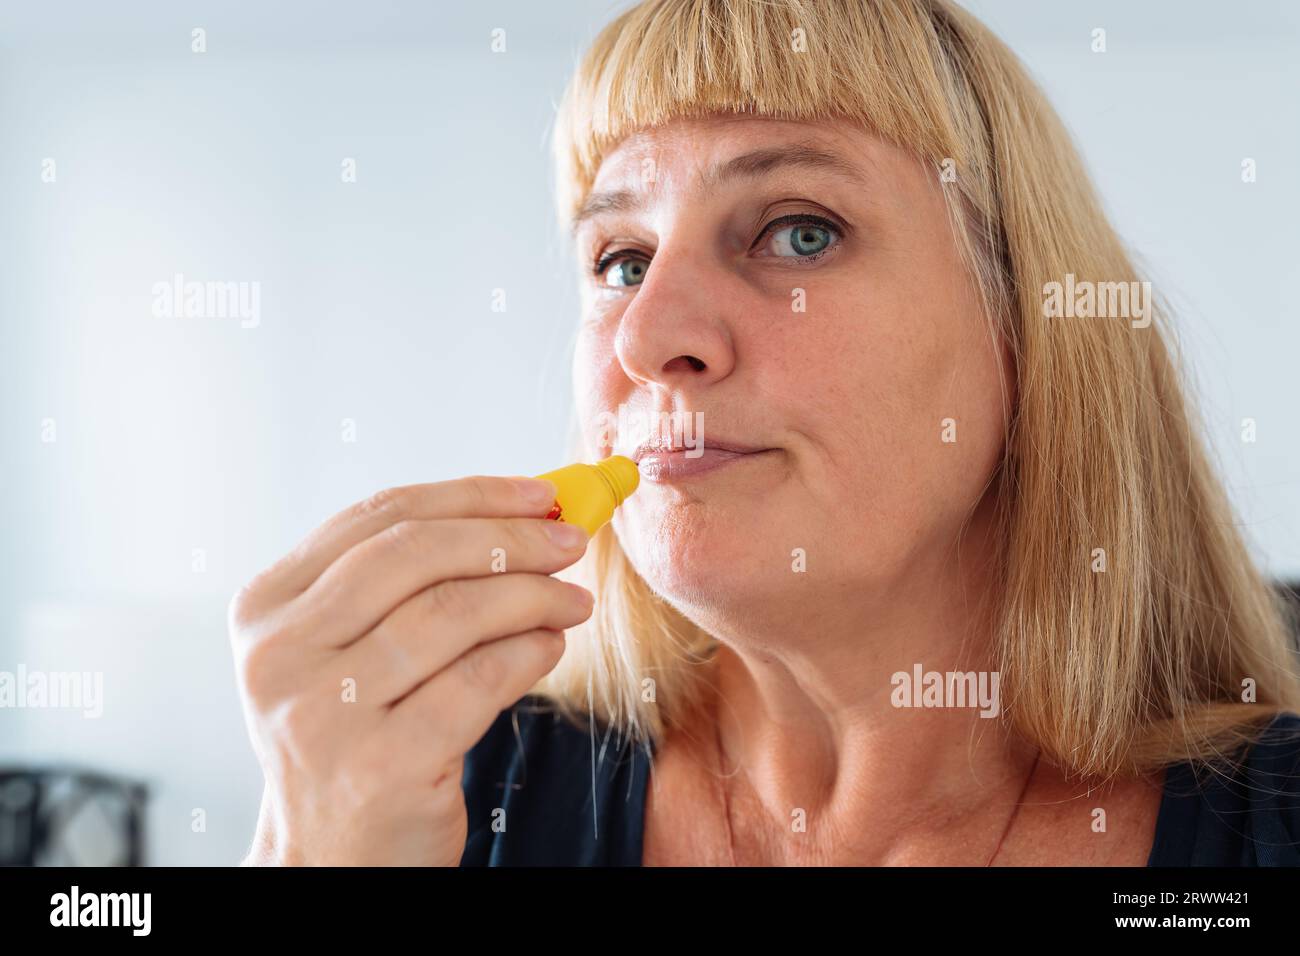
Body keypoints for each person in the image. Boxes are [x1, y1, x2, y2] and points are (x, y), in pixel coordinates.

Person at [230, 0, 1300, 866]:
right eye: (620, 260)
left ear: (1024, 330)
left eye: (797, 231)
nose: (649, 335)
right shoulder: (457, 794)